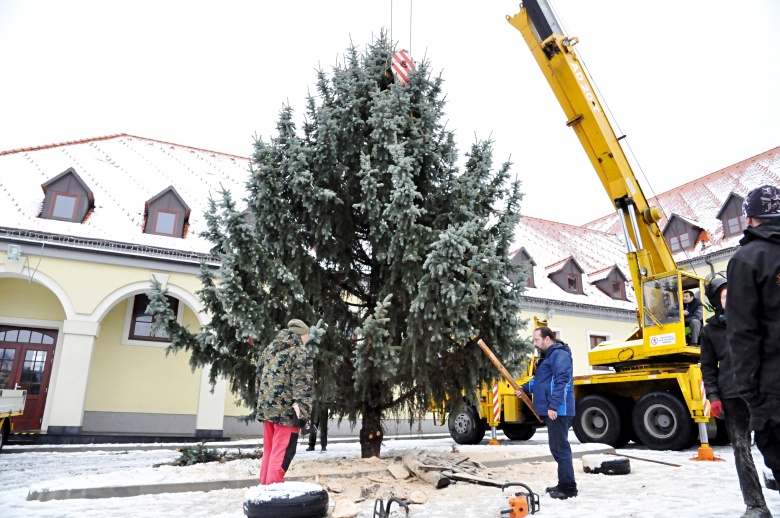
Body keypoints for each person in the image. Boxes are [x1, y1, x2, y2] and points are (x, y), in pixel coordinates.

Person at [700, 277, 771, 518]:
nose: (730, 298)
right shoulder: (709, 331)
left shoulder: (754, 321)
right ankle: (756, 505)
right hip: (732, 396)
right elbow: (708, 367)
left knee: (773, 443)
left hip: (762, 393)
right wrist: (713, 396)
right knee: (742, 450)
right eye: (724, 295)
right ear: (716, 302)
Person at [727, 184, 780, 498]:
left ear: (749, 218)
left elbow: (743, 331)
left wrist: (748, 391)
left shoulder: (748, 260)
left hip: (773, 388)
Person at [515, 326, 577, 500]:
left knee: (560, 449)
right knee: (558, 448)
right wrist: (524, 389)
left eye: (537, 340)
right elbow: (540, 381)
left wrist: (554, 406)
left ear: (547, 339)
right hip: (554, 409)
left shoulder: (559, 355)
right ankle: (563, 484)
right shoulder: (548, 357)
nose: (534, 343)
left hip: (559, 411)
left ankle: (568, 488)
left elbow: (563, 381)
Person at [256, 319, 314, 485]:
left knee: (269, 451)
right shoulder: (300, 352)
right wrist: (303, 414)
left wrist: (262, 403)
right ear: (302, 335)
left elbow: (258, 378)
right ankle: (273, 492)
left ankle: (263, 490)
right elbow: (302, 385)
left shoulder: (270, 349)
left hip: (267, 410)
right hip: (287, 413)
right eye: (307, 336)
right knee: (282, 454)